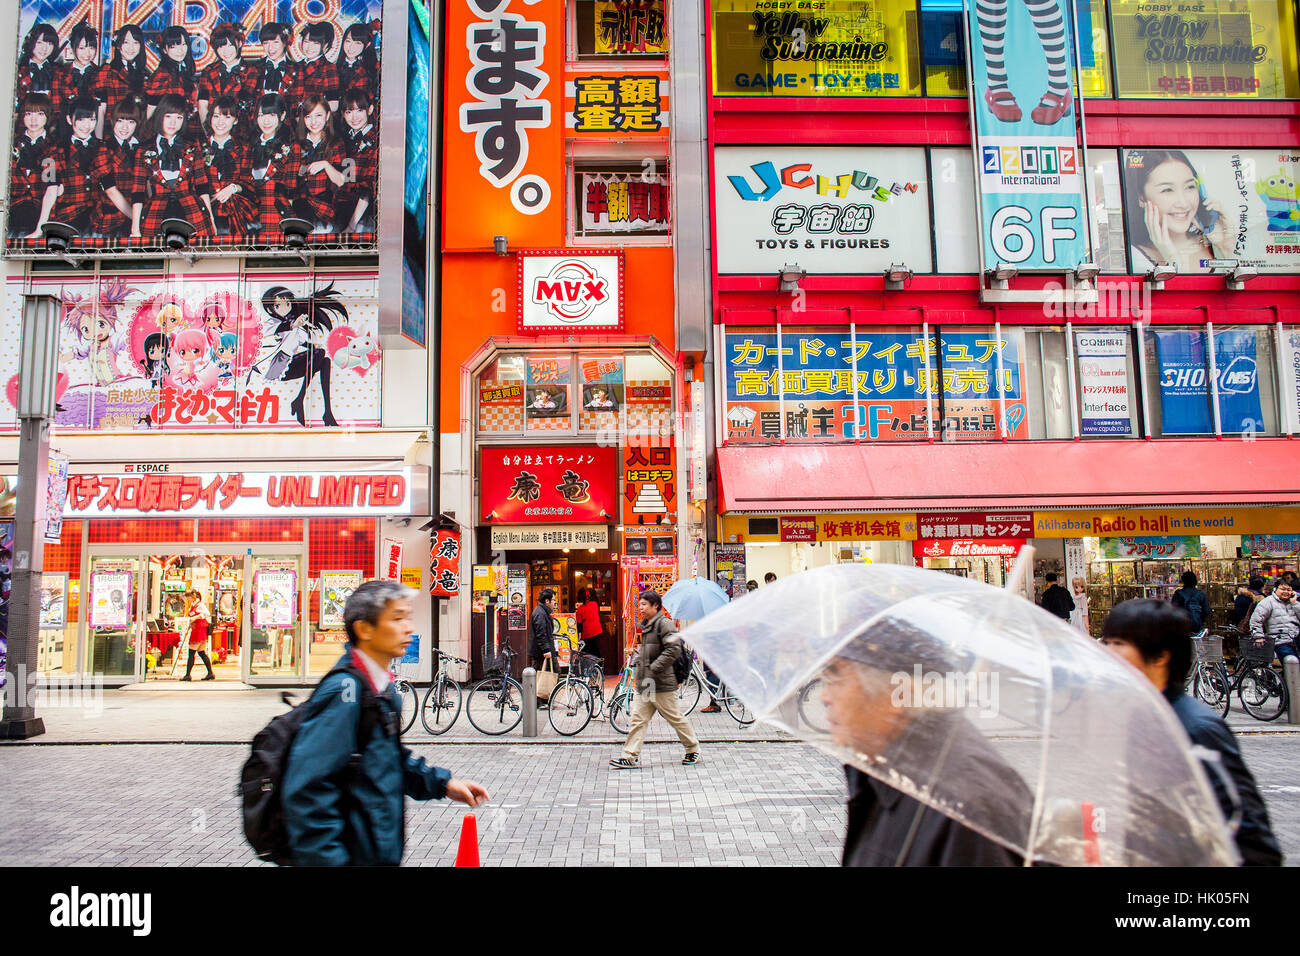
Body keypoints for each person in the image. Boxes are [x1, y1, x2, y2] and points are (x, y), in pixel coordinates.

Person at [282, 581, 489, 866]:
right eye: (396, 618)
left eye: (408, 617)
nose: (408, 628)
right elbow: (307, 794)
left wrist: (444, 784)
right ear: (364, 629)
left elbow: (388, 760)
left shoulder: (380, 690)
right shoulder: (345, 693)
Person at [822, 627, 1029, 866]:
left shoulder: (963, 810)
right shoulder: (886, 772)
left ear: (897, 693)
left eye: (836, 678)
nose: (824, 696)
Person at [1101, 599, 1282, 865]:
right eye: (1106, 642)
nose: (1106, 652)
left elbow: (1251, 840)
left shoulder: (1196, 730)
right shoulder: (1140, 718)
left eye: (1119, 644)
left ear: (1161, 656)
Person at [610, 591, 700, 769]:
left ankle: (692, 748)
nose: (641, 608)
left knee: (675, 717)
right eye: (640, 604)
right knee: (638, 719)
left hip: (662, 684)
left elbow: (673, 649)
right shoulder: (648, 625)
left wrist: (654, 667)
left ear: (655, 606)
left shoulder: (664, 624)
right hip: (646, 684)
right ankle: (630, 756)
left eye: (644, 605)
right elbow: (652, 651)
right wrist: (639, 660)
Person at [1123, 149, 1229, 275]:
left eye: (1190, 187)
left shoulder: (1213, 241)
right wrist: (1171, 257)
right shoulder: (1134, 259)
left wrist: (1226, 246)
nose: (1183, 203)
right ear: (1141, 197)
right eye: (1167, 190)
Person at [1248, 578, 1300, 664]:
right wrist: (1258, 636)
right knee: (1292, 662)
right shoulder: (1267, 602)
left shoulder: (1294, 603)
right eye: (1282, 589)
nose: (1286, 592)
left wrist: (1295, 603)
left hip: (1296, 640)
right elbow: (1256, 620)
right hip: (1280, 641)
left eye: (1288, 590)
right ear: (1275, 589)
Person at [181, 588, 215, 681]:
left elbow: (207, 613)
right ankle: (210, 673)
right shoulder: (193, 605)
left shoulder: (199, 605)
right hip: (196, 629)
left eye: (188, 597)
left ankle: (187, 675)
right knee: (201, 653)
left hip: (199, 631)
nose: (187, 600)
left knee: (191, 652)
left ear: (192, 596)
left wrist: (195, 617)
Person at [528, 587, 558, 671]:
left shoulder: (542, 611)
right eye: (553, 600)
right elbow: (541, 633)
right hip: (541, 653)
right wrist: (546, 650)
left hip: (543, 652)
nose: (554, 602)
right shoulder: (540, 613)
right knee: (550, 675)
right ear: (547, 601)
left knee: (550, 675)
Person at [575, 587, 604, 665]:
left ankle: (590, 669)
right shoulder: (595, 604)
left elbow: (579, 624)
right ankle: (599, 667)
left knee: (588, 654)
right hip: (597, 631)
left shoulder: (580, 610)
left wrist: (579, 635)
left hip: (587, 634)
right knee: (597, 651)